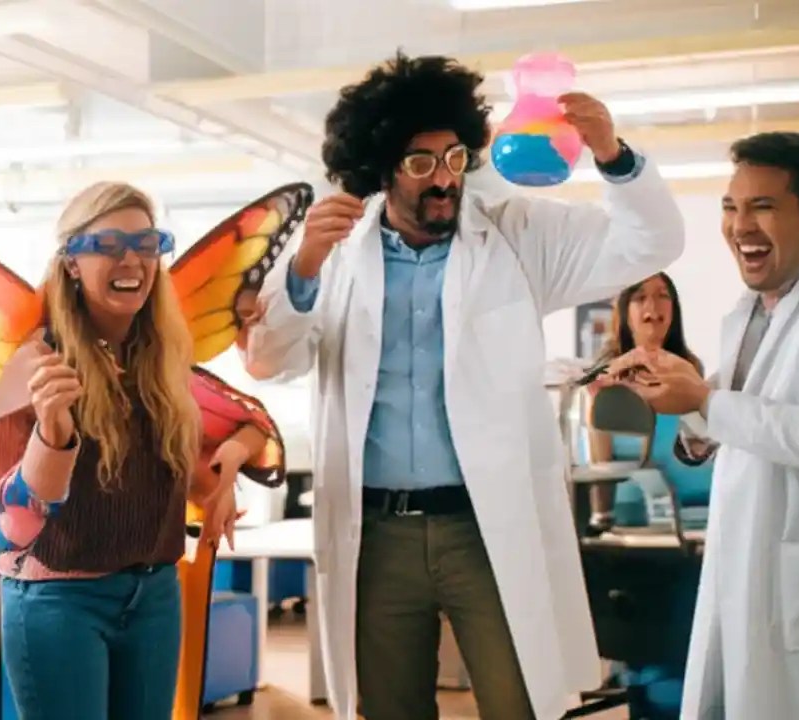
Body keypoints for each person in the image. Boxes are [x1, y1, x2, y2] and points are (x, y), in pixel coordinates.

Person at [240, 52, 685, 720]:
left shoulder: (516, 235)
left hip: (485, 525)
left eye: (453, 158)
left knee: (517, 704)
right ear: (382, 168)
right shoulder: (333, 255)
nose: (444, 178)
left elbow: (652, 242)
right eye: (421, 163)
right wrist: (302, 268)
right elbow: (271, 359)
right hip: (378, 535)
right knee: (390, 709)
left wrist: (613, 157)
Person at [0, 181, 279, 720]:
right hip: (59, 599)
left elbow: (245, 425)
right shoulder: (37, 364)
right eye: (108, 244)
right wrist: (53, 437)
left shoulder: (159, 360)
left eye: (147, 244)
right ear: (71, 263)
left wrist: (227, 466)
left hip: (153, 594)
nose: (132, 260)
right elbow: (11, 529)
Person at [622, 131, 799, 719]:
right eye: (731, 206)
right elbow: (732, 424)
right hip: (742, 568)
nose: (739, 226)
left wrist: (705, 399)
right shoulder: (747, 311)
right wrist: (683, 402)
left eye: (763, 206)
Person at [584, 272, 707, 533]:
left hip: (699, 511)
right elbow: (599, 463)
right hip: (637, 517)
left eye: (663, 296)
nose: (653, 306)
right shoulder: (606, 379)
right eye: (640, 298)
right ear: (625, 313)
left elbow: (700, 441)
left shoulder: (690, 368)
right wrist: (600, 521)